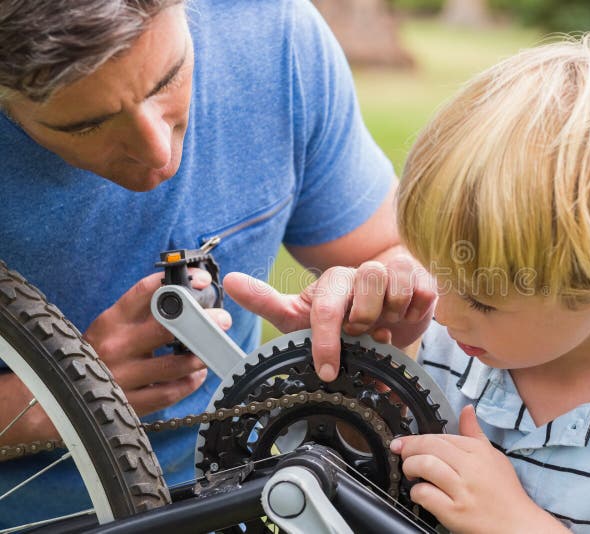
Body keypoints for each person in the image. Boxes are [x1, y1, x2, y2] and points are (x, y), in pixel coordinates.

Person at [229, 35, 590, 532]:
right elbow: (350, 485)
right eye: (437, 269)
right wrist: (354, 387)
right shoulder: (449, 351)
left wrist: (517, 526)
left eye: (481, 298)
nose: (444, 312)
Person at [0, 0, 434, 525]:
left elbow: (388, 248)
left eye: (169, 79)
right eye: (87, 125)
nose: (159, 153)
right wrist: (46, 398)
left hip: (242, 498)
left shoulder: (272, 33)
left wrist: (372, 297)